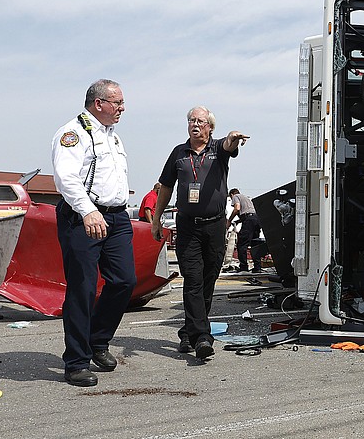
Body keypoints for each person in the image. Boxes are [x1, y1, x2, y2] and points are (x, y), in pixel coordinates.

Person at [51, 79, 136, 387]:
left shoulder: (112, 137)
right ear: (98, 103)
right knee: (82, 289)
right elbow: (66, 178)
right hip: (83, 217)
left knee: (125, 281)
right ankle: (76, 361)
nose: (122, 108)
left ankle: (97, 340)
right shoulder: (73, 134)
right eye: (117, 103)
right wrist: (88, 211)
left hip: (116, 217)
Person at [152, 106, 248, 360]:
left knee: (208, 280)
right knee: (193, 279)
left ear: (210, 127)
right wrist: (156, 219)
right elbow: (166, 187)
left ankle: (187, 332)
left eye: (200, 121)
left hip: (215, 226)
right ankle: (202, 337)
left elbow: (229, 146)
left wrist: (232, 138)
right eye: (191, 120)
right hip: (187, 226)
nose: (195, 124)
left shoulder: (218, 149)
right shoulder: (178, 153)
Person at [228, 188, 263, 272]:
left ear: (232, 195)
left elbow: (237, 208)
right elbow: (247, 212)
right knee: (255, 243)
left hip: (249, 220)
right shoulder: (246, 198)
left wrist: (229, 220)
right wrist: (238, 221)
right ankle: (257, 267)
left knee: (242, 244)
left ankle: (243, 267)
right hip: (256, 219)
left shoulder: (236, 196)